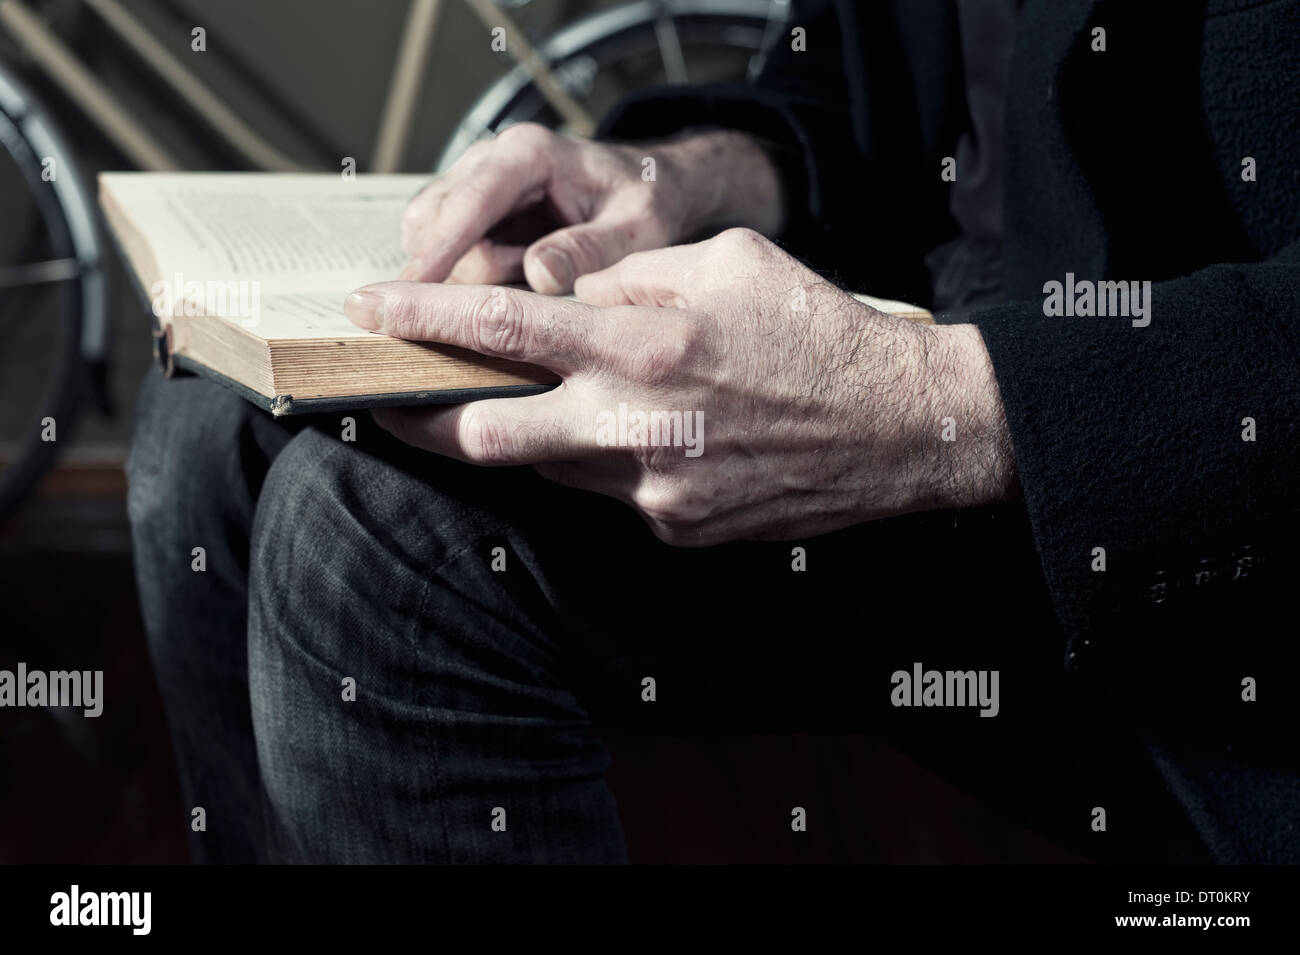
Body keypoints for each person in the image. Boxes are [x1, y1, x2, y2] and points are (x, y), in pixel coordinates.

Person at [127, 0, 1300, 863]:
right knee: (205, 428)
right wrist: (687, 175)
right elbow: (861, 108)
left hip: (1189, 515)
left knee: (380, 538)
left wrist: (934, 407)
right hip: (941, 346)